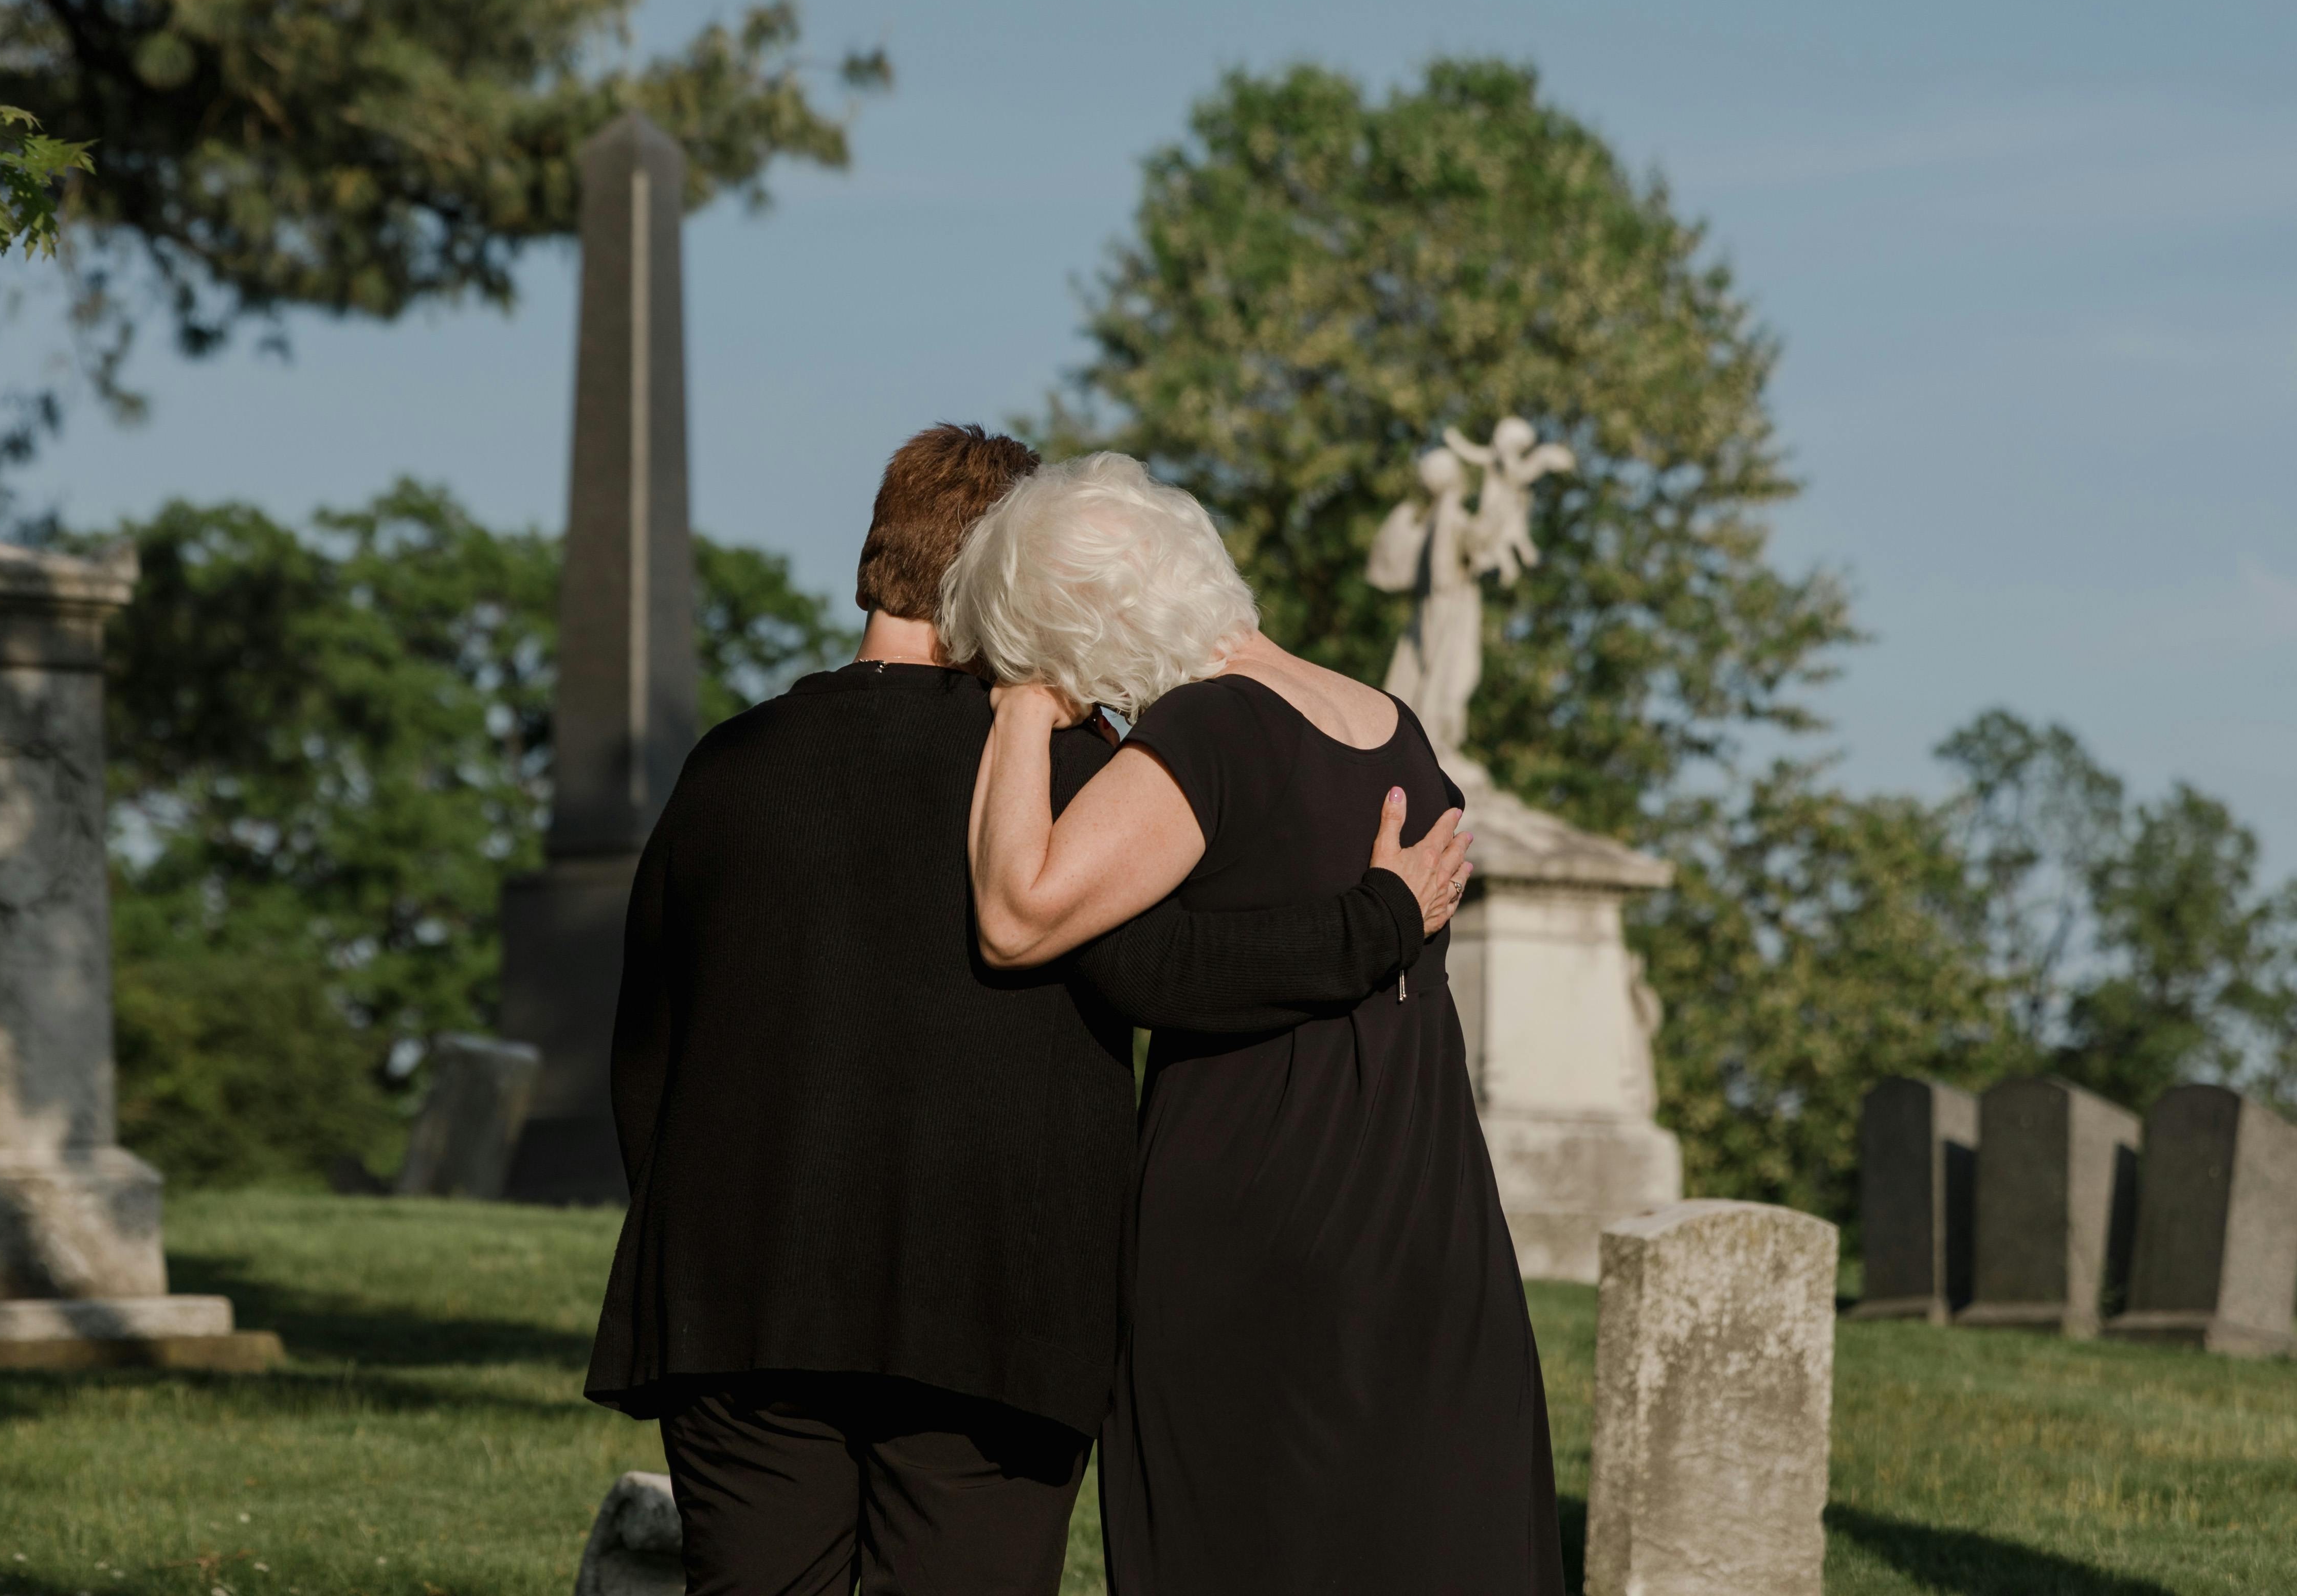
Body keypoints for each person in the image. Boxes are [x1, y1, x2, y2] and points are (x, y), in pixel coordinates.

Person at [586, 425, 1476, 1596]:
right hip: (994, 1309)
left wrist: (692, 1232)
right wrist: (1374, 920)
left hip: (737, 1295)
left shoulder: (729, 763)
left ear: (875, 556)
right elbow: (1167, 971)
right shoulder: (1071, 775)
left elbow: (645, 1050)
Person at [943, 451, 1564, 1596]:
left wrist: (1026, 703)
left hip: (1262, 1237)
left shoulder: (1211, 730)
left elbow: (1018, 914)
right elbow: (1166, 963)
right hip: (1432, 1231)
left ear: (1086, 627)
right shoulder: (1400, 733)